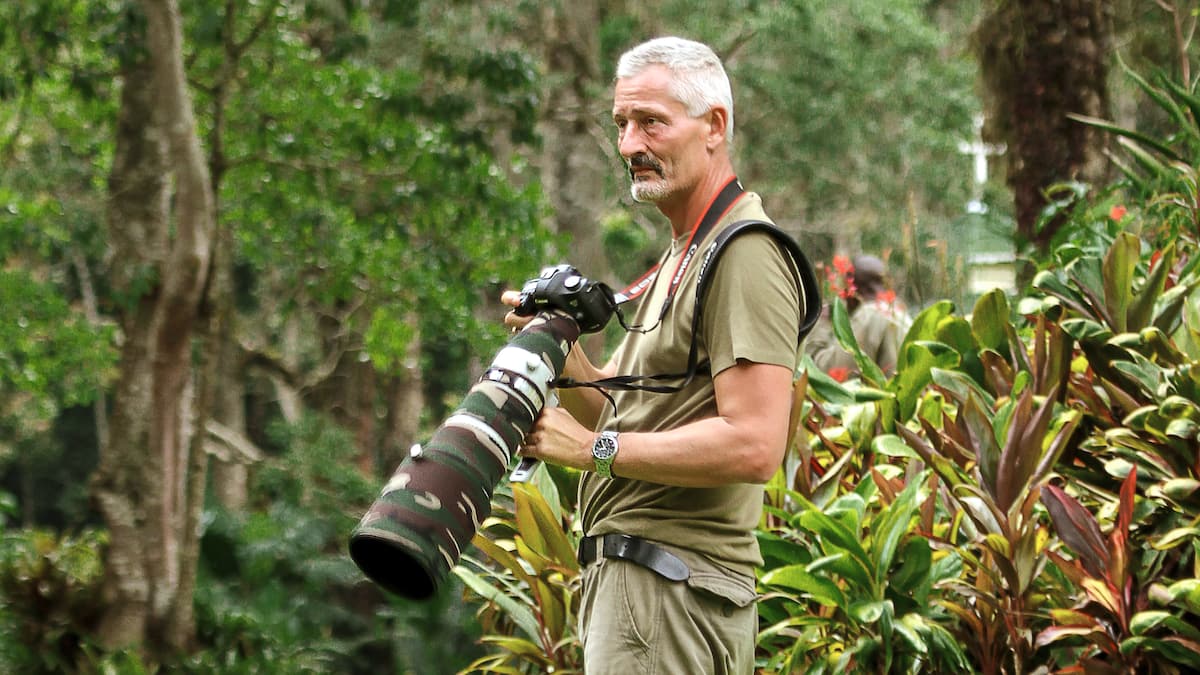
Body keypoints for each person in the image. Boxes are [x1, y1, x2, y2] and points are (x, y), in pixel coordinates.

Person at [501, 36, 805, 674]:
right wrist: (563, 356)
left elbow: (754, 444)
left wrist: (590, 453)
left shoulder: (744, 251)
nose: (629, 145)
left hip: (668, 588)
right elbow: (624, 414)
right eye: (621, 124)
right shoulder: (685, 250)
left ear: (714, 126)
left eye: (651, 123)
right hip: (647, 587)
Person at [804, 254, 908, 380]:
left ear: (851, 287)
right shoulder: (901, 314)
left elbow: (828, 374)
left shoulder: (868, 317)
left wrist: (820, 324)